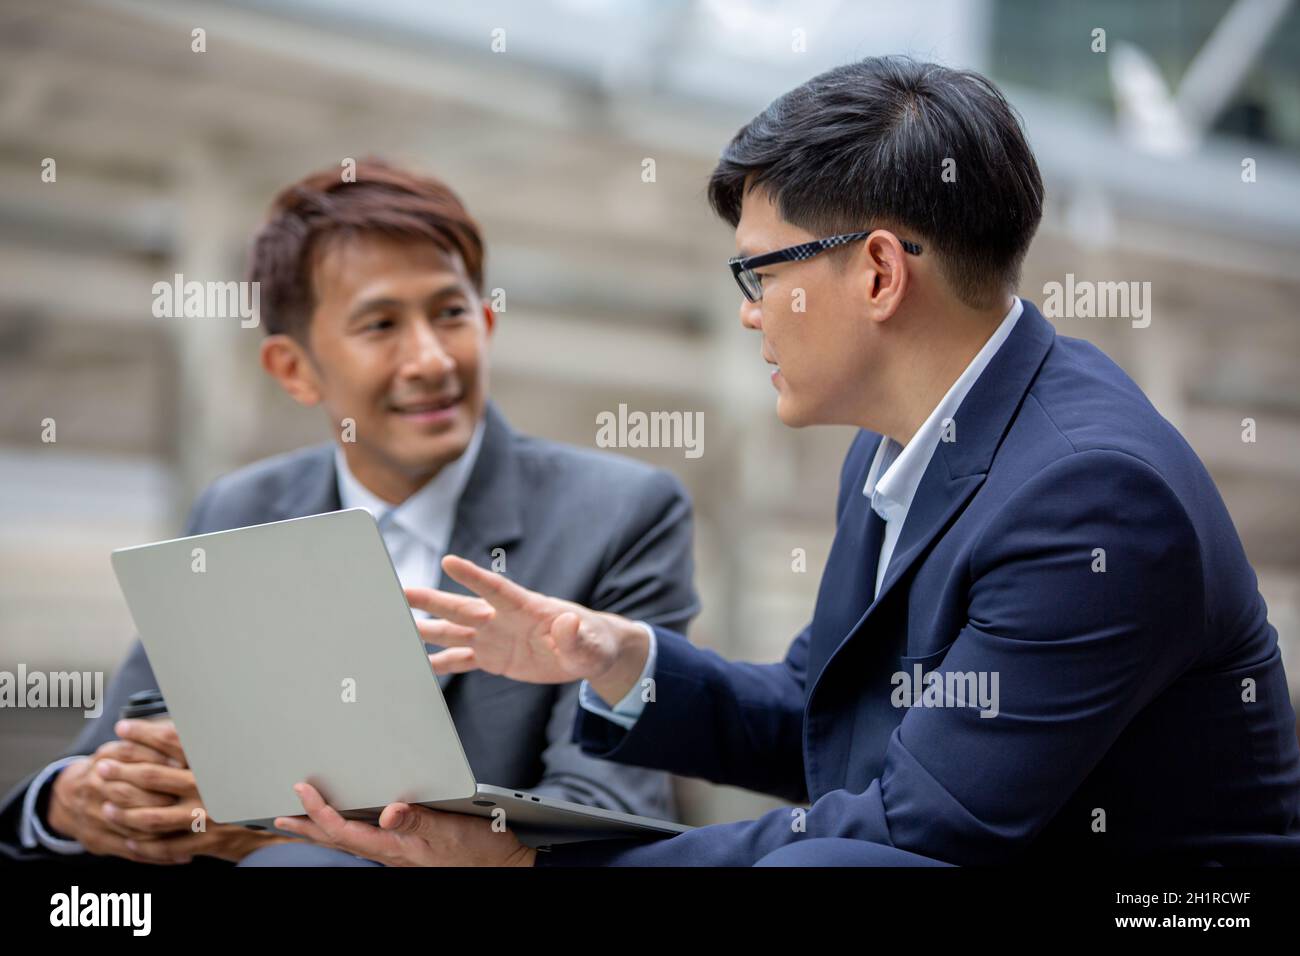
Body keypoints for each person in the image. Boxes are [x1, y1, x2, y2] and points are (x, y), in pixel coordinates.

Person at [254, 56, 1300, 867]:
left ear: (880, 272)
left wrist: (533, 862)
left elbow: (910, 831)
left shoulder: (1090, 498)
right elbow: (821, 715)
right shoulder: (910, 439)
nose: (749, 311)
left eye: (758, 271)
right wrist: (616, 658)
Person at [0, 160, 699, 865]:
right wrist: (74, 801)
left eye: (450, 313)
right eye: (380, 325)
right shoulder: (241, 511)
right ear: (293, 369)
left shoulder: (620, 515)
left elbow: (608, 815)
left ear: (486, 323)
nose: (429, 359)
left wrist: (276, 832)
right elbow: (121, 746)